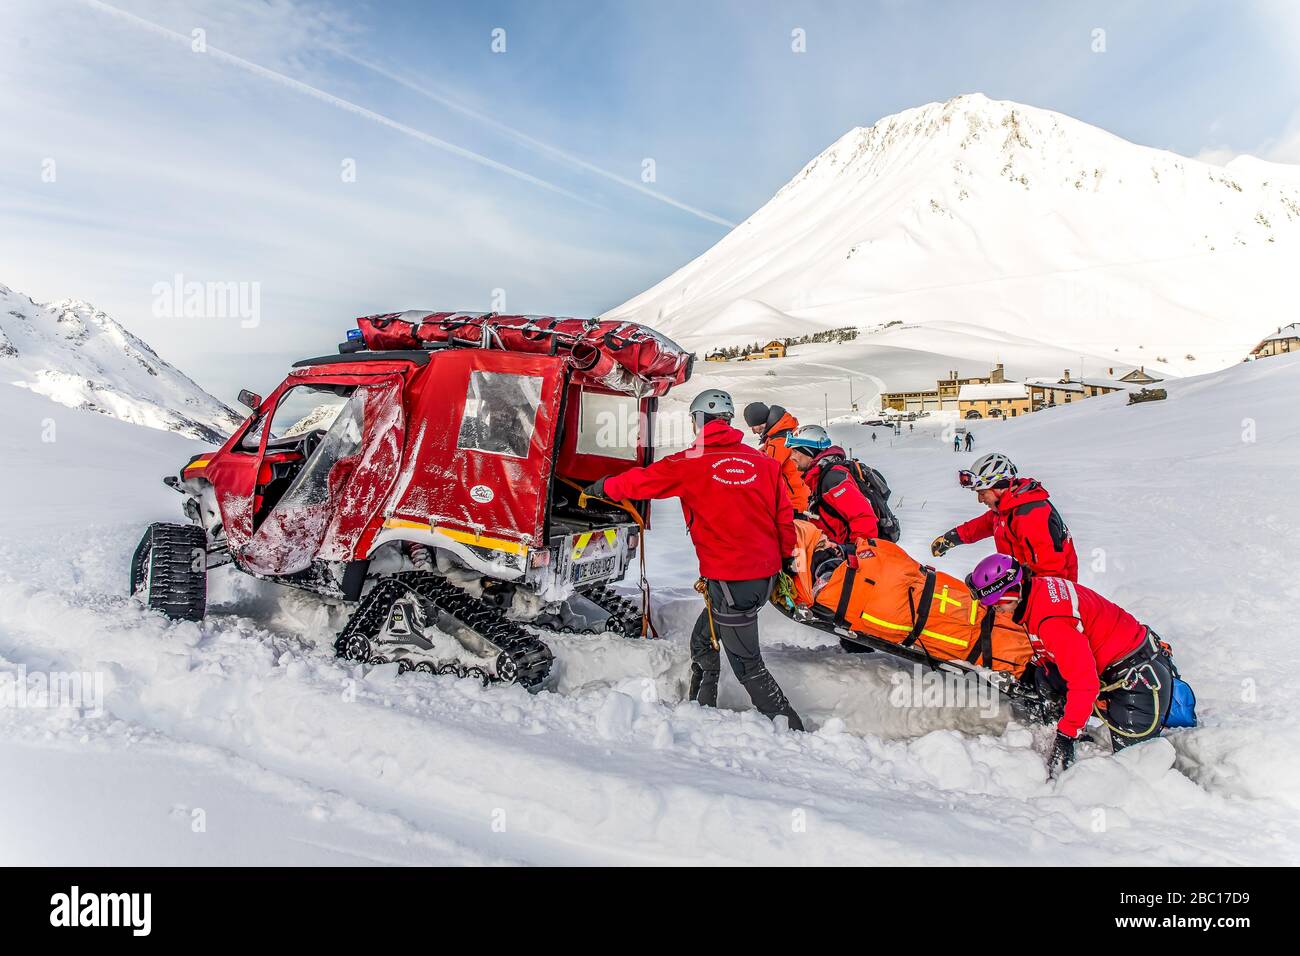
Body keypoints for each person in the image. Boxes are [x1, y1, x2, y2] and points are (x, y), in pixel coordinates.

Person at [589, 389, 803, 730]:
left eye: (693, 420)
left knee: (748, 666)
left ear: (700, 421)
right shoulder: (763, 463)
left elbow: (642, 482)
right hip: (759, 579)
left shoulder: (691, 461)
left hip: (734, 582)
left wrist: (603, 487)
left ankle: (792, 730)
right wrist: (785, 562)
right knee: (703, 641)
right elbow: (784, 520)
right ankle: (701, 709)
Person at [966, 554, 1175, 776]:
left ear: (1012, 594)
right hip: (1115, 665)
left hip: (1139, 680)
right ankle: (1063, 725)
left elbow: (1085, 684)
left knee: (1133, 770)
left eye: (997, 606)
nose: (998, 612)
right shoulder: (1036, 589)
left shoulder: (1051, 621)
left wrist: (1067, 735)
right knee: (1044, 677)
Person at [930, 452, 1078, 580]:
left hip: (1048, 594)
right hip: (1022, 584)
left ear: (999, 488)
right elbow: (984, 524)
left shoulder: (1030, 515)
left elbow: (1051, 573)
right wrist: (951, 538)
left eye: (982, 493)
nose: (980, 500)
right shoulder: (1006, 510)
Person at [784, 424, 879, 546]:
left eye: (795, 451)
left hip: (846, 557)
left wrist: (854, 553)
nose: (791, 457)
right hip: (834, 552)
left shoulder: (832, 479)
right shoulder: (819, 476)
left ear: (810, 451)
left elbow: (864, 518)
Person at [742, 402, 811, 514]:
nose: (754, 432)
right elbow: (764, 452)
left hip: (794, 503)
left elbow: (766, 473)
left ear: (761, 424)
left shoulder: (778, 442)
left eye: (756, 428)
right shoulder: (786, 433)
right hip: (802, 495)